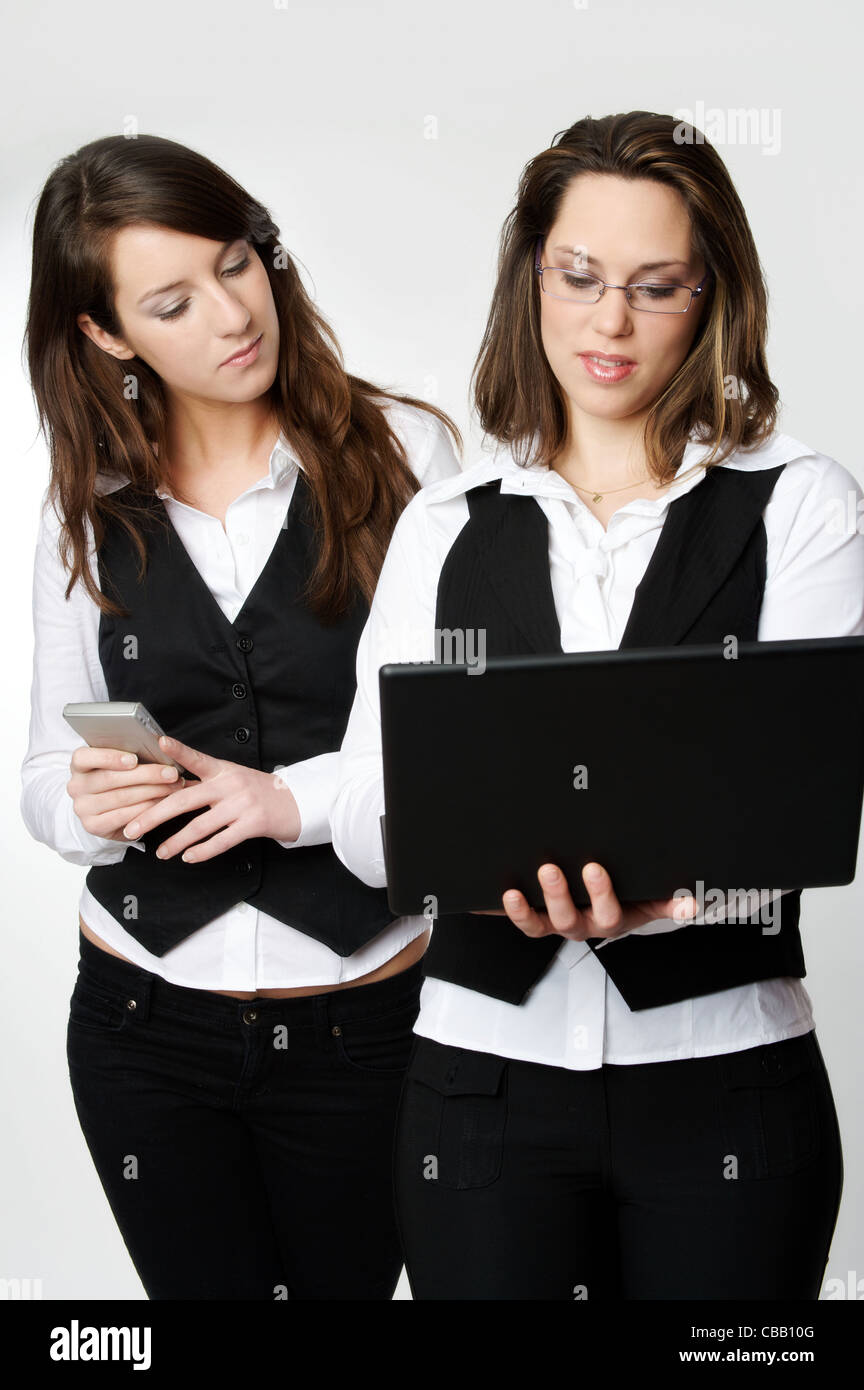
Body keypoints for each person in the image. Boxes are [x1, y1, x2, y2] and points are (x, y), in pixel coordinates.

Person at [330, 111, 864, 1300]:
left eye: (655, 286)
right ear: (531, 278)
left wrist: (664, 906)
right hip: (480, 1095)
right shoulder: (446, 525)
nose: (609, 322)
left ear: (713, 294)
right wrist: (487, 872)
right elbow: (371, 822)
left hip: (726, 1081)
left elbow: (805, 822)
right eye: (577, 278)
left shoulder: (800, 505)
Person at [19, 132, 462, 1300]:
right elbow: (39, 778)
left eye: (235, 262)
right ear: (107, 336)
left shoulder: (407, 458)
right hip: (139, 1023)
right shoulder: (83, 513)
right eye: (172, 301)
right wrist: (84, 801)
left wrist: (289, 804)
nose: (231, 313)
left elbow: (442, 761)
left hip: (363, 1024)